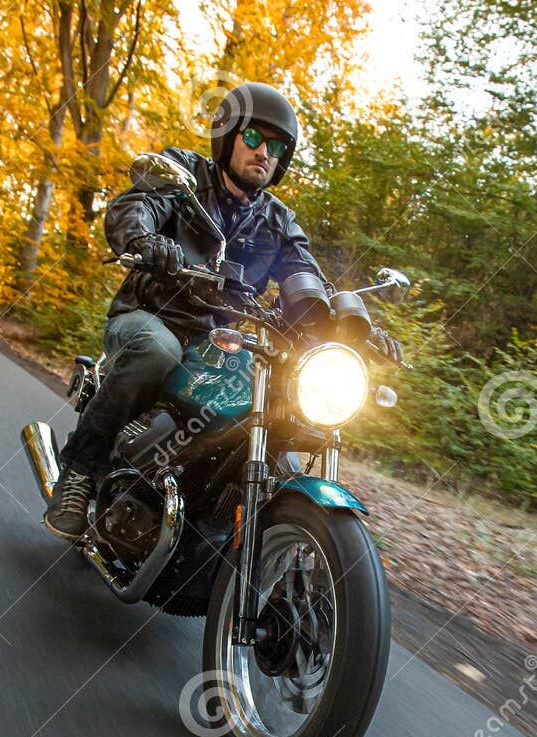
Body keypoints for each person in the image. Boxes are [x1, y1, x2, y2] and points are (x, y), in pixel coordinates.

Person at [45, 82, 397, 540]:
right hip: (151, 315)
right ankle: (79, 473)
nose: (263, 153)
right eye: (253, 138)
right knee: (156, 350)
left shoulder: (278, 219)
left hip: (223, 343)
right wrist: (145, 240)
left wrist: (353, 327)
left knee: (282, 399)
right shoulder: (185, 175)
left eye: (275, 146)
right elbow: (137, 205)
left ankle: (225, 520)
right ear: (227, 136)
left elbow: (306, 280)